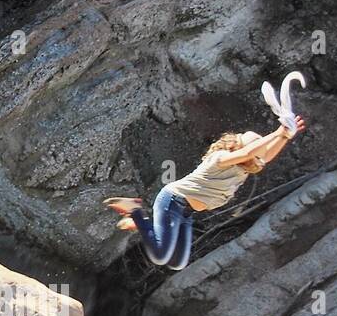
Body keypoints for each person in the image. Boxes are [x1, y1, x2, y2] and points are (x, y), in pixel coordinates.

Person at [105, 116, 306, 270]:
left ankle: (144, 225)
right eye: (254, 149)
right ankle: (135, 212)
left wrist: (284, 136)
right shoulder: (220, 158)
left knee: (177, 263)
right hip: (172, 201)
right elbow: (247, 153)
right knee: (160, 256)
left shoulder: (243, 169)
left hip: (186, 213)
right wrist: (278, 130)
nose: (258, 155)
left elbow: (265, 156)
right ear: (238, 146)